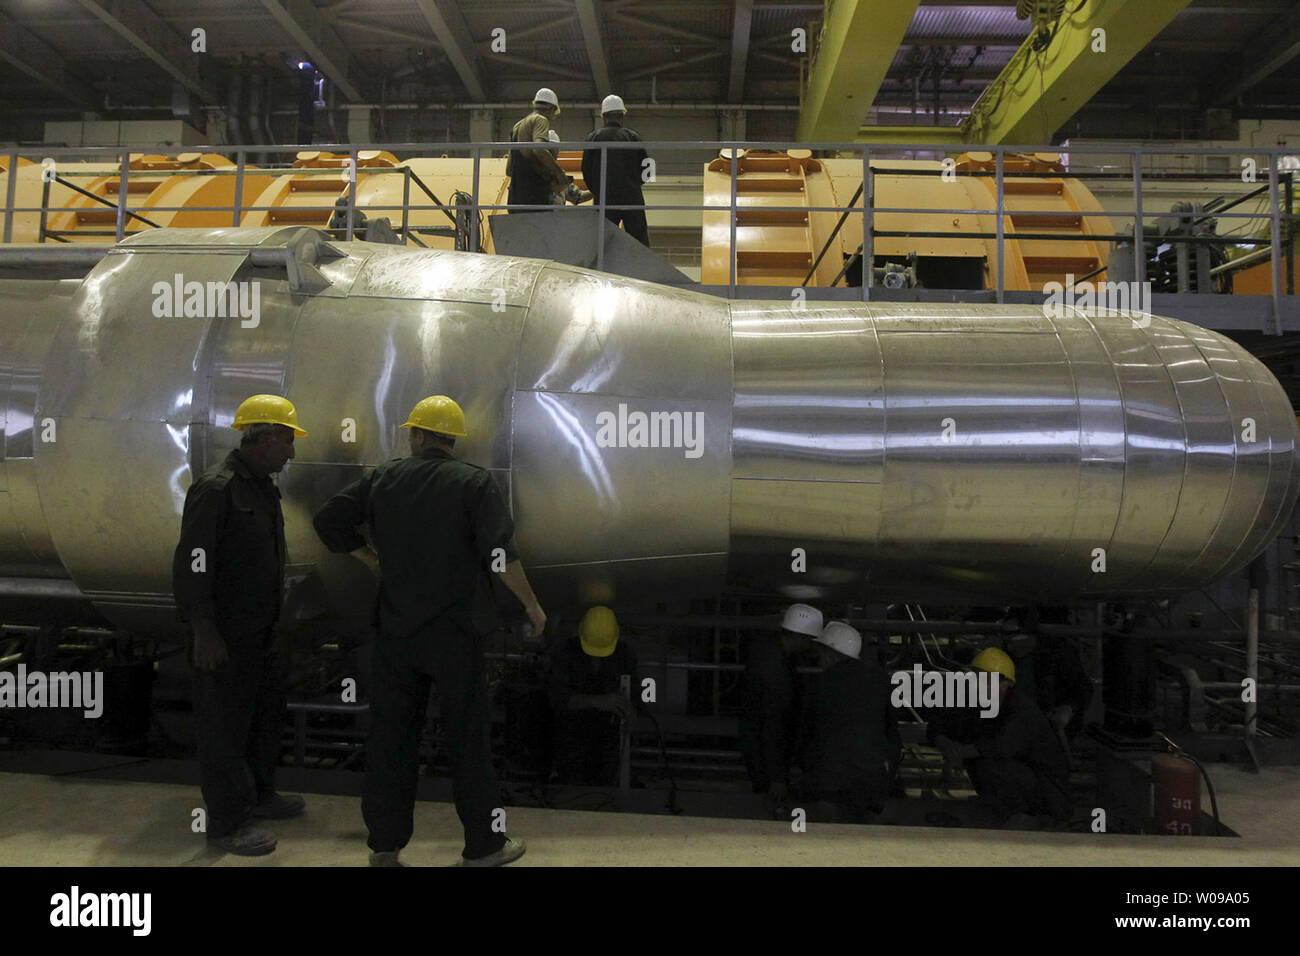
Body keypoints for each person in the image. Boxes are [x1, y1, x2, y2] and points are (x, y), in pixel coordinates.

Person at [312, 395, 546, 867]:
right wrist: (533, 606)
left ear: (417, 437)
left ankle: (384, 846)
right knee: (468, 740)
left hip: (397, 634)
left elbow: (328, 520)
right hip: (455, 635)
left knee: (391, 739)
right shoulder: (474, 484)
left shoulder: (383, 478)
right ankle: (484, 845)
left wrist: (368, 557)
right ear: (453, 440)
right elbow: (500, 555)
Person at [172, 394, 309, 856]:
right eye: (287, 441)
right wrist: (203, 631)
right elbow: (193, 565)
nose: (292, 453)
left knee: (261, 719)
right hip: (225, 636)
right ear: (265, 438)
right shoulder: (218, 489)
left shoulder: (261, 486)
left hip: (262, 630)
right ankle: (227, 824)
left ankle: (261, 795)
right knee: (224, 728)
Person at [932, 647, 1071, 829]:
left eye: (987, 681)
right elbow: (939, 725)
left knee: (991, 763)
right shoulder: (977, 701)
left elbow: (1000, 747)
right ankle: (1004, 811)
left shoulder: (1021, 710)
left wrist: (958, 752)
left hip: (1047, 793)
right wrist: (947, 744)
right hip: (1028, 781)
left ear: (1007, 683)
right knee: (981, 761)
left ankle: (1031, 816)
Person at [794, 621, 900, 823]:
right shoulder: (881, 679)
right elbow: (891, 731)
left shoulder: (819, 683)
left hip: (827, 779)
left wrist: (803, 767)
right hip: (871, 777)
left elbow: (805, 732)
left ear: (830, 652)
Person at [737, 603, 820, 805]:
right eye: (810, 639)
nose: (811, 645)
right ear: (800, 636)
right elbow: (774, 726)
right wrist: (777, 778)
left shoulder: (768, 651)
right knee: (771, 804)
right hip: (764, 756)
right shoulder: (777, 672)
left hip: (756, 746)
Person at [547, 606, 636, 786]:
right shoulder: (565, 652)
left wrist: (632, 712)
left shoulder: (624, 654)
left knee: (605, 782)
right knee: (572, 781)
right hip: (571, 735)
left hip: (609, 737)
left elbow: (636, 693)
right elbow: (556, 698)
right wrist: (597, 701)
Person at [581, 94, 650, 246]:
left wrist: (598, 189)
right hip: (632, 198)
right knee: (639, 242)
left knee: (603, 244)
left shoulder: (593, 138)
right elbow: (649, 168)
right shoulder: (633, 137)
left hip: (605, 198)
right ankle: (641, 269)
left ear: (604, 116)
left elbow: (586, 169)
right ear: (622, 116)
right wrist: (635, 184)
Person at [507, 88, 571, 213]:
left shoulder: (518, 126)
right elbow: (539, 149)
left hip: (515, 199)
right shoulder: (540, 120)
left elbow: (509, 170)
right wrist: (559, 173)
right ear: (551, 109)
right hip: (534, 198)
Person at [546, 130, 593, 205]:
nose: (552, 152)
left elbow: (578, 196)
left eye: (554, 149)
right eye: (549, 149)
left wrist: (598, 190)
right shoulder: (532, 173)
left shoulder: (559, 173)